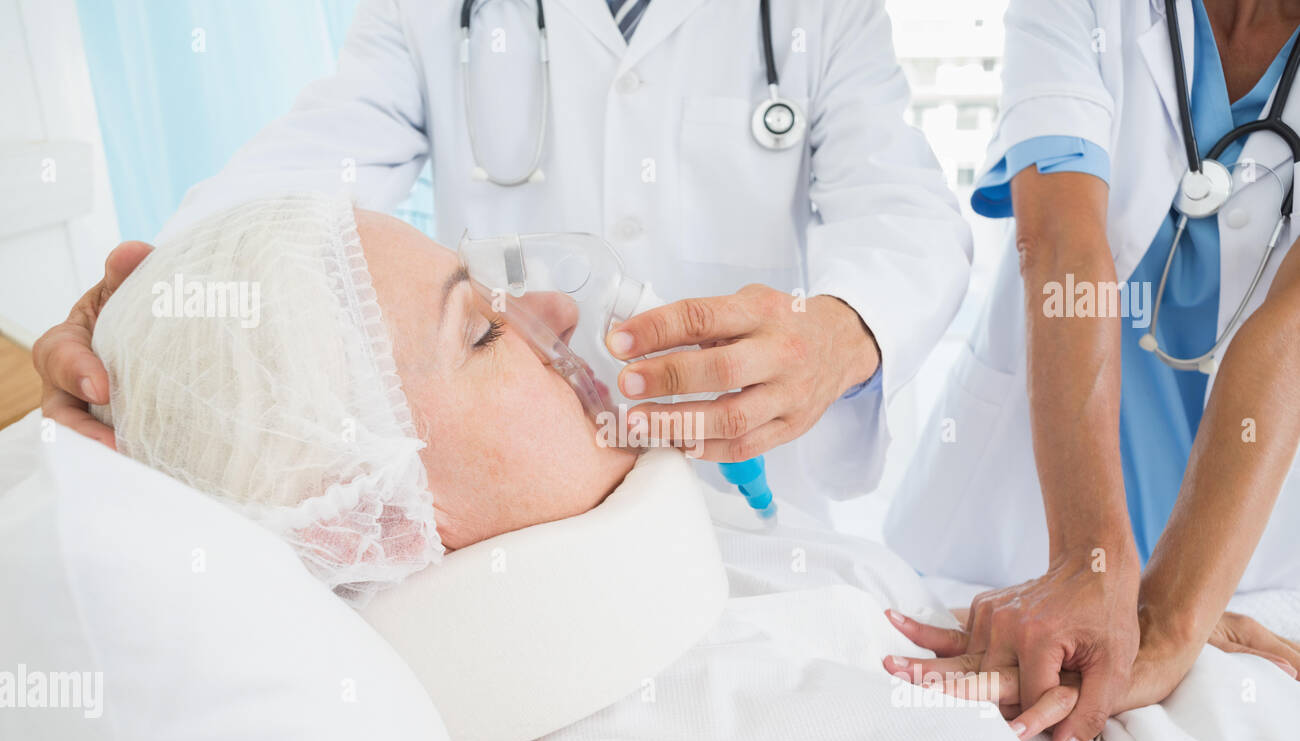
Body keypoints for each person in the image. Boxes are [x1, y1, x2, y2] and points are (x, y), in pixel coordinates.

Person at [85, 194, 1300, 741]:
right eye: (484, 329)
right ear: (365, 514)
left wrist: (1178, 634)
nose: (558, 306)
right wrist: (152, 351)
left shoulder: (670, 549)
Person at [34, 0, 972, 522]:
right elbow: (304, 166)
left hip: (764, 494)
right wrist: (155, 306)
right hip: (524, 514)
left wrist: (844, 331)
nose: (561, 322)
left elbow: (904, 211)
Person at [886, 0, 1300, 741]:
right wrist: (1090, 564)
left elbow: (1292, 324)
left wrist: (1175, 617)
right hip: (1011, 546)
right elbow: (1061, 244)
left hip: (1234, 570)